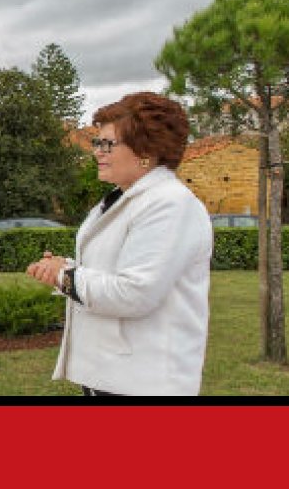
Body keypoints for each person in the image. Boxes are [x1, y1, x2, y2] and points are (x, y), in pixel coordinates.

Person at [26, 92, 212, 396]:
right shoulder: (121, 199)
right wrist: (65, 268)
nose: (97, 152)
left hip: (144, 382)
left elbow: (135, 293)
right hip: (111, 375)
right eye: (97, 143)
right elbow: (113, 270)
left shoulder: (170, 205)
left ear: (146, 151)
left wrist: (66, 277)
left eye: (108, 144)